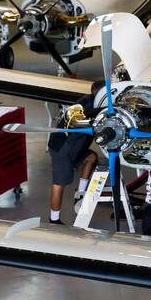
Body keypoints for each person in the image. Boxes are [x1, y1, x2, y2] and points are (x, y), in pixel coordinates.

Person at [47, 89, 99, 224]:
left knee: (91, 157)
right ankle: (54, 220)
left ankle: (80, 194)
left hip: (74, 146)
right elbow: (78, 122)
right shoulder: (88, 107)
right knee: (59, 185)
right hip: (62, 149)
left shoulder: (89, 101)